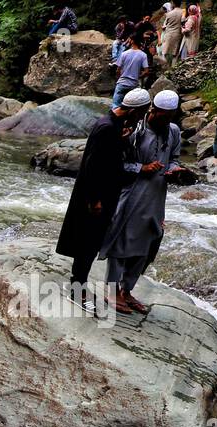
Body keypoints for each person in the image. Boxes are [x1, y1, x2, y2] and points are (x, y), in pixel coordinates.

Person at [55, 88, 149, 308]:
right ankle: (77, 290)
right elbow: (93, 166)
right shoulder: (107, 127)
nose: (141, 117)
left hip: (102, 195)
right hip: (95, 198)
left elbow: (109, 157)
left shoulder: (113, 125)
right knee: (86, 245)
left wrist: (123, 140)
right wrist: (94, 199)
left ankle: (79, 287)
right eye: (142, 112)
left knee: (89, 243)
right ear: (134, 110)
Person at [98, 89, 185, 315]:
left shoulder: (174, 131)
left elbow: (174, 159)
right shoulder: (135, 130)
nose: (167, 121)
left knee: (146, 245)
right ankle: (111, 291)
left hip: (156, 196)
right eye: (163, 116)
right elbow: (119, 164)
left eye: (171, 116)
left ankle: (127, 291)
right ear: (153, 111)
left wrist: (175, 171)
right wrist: (142, 168)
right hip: (132, 194)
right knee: (122, 243)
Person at [112, 35, 148, 108]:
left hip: (122, 83)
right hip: (133, 85)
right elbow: (146, 71)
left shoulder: (124, 54)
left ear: (132, 41)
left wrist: (119, 78)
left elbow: (118, 70)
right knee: (130, 107)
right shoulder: (143, 55)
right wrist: (138, 76)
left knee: (115, 106)